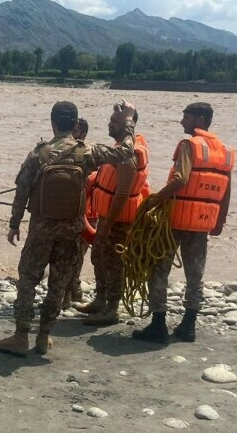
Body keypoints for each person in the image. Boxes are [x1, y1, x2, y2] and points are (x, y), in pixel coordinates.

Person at [0, 101, 137, 356]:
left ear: (52, 122)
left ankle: (20, 335)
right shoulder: (87, 152)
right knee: (58, 285)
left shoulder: (38, 154)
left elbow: (22, 191)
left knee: (28, 280)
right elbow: (125, 152)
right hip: (71, 232)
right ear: (75, 123)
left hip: (40, 230)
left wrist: (14, 224)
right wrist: (128, 122)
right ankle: (44, 336)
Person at [133, 102, 233, 344]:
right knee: (195, 275)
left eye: (185, 117)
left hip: (176, 221)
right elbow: (226, 190)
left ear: (199, 118)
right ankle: (189, 326)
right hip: (201, 223)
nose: (181, 122)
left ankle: (158, 325)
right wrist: (219, 221)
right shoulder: (225, 151)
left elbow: (181, 179)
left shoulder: (190, 145)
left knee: (158, 268)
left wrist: (155, 199)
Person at [78, 103, 149, 325]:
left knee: (112, 263)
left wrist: (108, 225)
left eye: (115, 121)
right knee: (97, 257)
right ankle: (100, 300)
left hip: (118, 221)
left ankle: (112, 308)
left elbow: (122, 193)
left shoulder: (130, 154)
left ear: (128, 124)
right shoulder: (118, 148)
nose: (110, 123)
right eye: (110, 119)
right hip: (107, 218)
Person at [62, 117, 91, 308]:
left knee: (76, 255)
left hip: (85, 214)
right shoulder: (61, 151)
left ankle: (70, 294)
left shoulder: (88, 155)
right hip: (66, 211)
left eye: (76, 131)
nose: (72, 134)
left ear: (83, 134)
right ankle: (72, 292)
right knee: (67, 254)